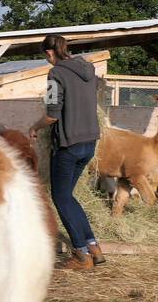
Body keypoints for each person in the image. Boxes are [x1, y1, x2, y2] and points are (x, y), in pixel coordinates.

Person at [29, 34, 104, 271]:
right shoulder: (88, 69)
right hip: (89, 143)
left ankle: (81, 255)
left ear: (50, 53)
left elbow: (53, 114)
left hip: (68, 145)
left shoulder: (55, 74)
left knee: (61, 198)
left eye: (46, 56)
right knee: (68, 197)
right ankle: (94, 246)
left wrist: (34, 127)